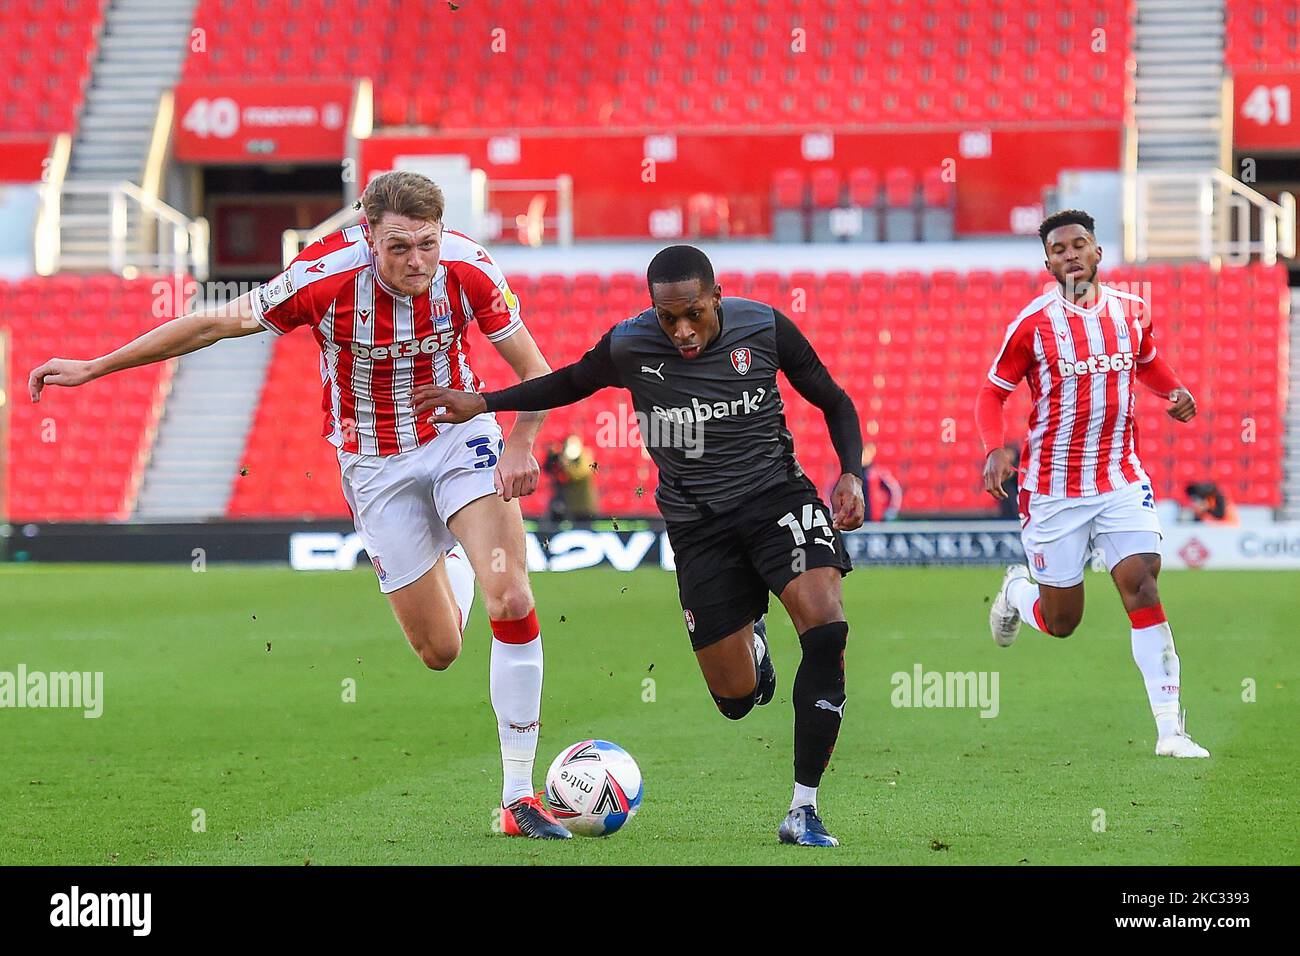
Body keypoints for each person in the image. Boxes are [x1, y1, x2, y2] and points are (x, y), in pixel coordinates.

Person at [28, 170, 573, 837]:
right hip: (373, 464)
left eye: (427, 244)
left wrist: (521, 442)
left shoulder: (469, 269)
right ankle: (454, 563)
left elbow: (538, 372)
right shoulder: (322, 277)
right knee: (439, 651)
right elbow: (213, 326)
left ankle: (518, 796)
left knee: (511, 599)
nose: (417, 262)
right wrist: (93, 367)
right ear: (366, 235)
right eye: (399, 246)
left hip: (461, 437)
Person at [411, 245, 866, 847]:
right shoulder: (630, 344)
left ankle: (803, 809)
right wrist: (487, 402)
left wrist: (851, 473)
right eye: (667, 316)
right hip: (698, 526)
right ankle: (751, 646)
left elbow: (834, 399)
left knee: (826, 628)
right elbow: (569, 382)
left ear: (717, 298)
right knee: (736, 699)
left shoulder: (766, 327)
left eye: (693, 315)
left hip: (776, 499)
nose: (680, 330)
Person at [975, 209, 1209, 758]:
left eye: (1080, 245)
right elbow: (991, 393)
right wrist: (994, 448)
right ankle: (1015, 590)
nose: (1071, 255)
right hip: (1053, 491)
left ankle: (1170, 730)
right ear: (1048, 262)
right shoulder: (1032, 325)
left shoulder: (1131, 311)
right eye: (1059, 249)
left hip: (1119, 478)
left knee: (1142, 583)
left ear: (1097, 253)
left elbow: (1147, 362)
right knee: (1062, 623)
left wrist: (1174, 392)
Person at [860, 445, 902, 521]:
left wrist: (892, 510)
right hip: (856, 520)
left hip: (876, 518)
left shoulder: (878, 473)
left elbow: (894, 490)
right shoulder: (850, 476)